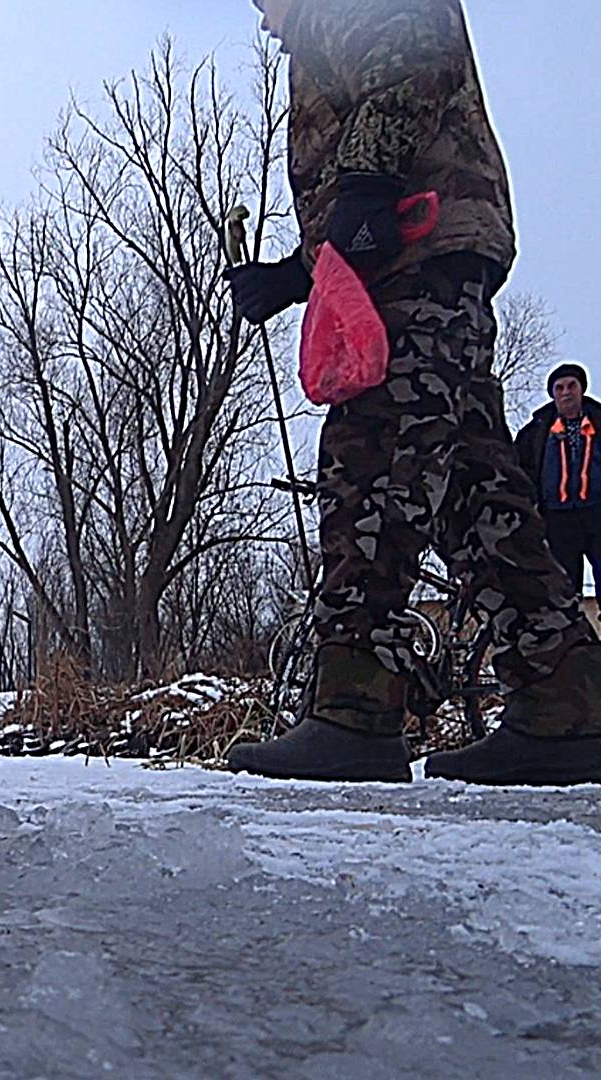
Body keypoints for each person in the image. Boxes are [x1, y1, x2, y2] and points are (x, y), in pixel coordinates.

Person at [225, 0, 601, 785]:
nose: (263, 19)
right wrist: (297, 274)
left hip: (419, 258)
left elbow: (408, 51)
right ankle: (566, 701)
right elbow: (370, 168)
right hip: (424, 254)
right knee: (472, 489)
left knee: (373, 458)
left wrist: (363, 189)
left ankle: (356, 711)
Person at [512, 362, 601, 599]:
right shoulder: (535, 431)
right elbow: (519, 471)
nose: (566, 392)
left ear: (582, 390)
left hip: (597, 514)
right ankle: (573, 635)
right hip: (556, 519)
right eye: (559, 388)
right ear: (552, 394)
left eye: (572, 386)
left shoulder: (599, 422)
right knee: (563, 590)